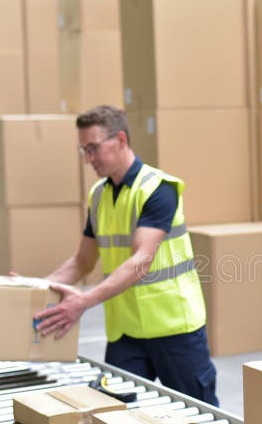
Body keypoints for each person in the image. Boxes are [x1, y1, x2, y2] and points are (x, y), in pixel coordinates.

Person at [34, 105, 218, 407]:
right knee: (115, 417)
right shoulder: (99, 195)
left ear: (120, 140)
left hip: (174, 328)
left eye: (93, 148)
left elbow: (141, 261)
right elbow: (82, 261)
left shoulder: (159, 189)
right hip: (126, 333)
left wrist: (83, 302)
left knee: (199, 420)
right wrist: (32, 288)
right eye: (84, 151)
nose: (89, 159)